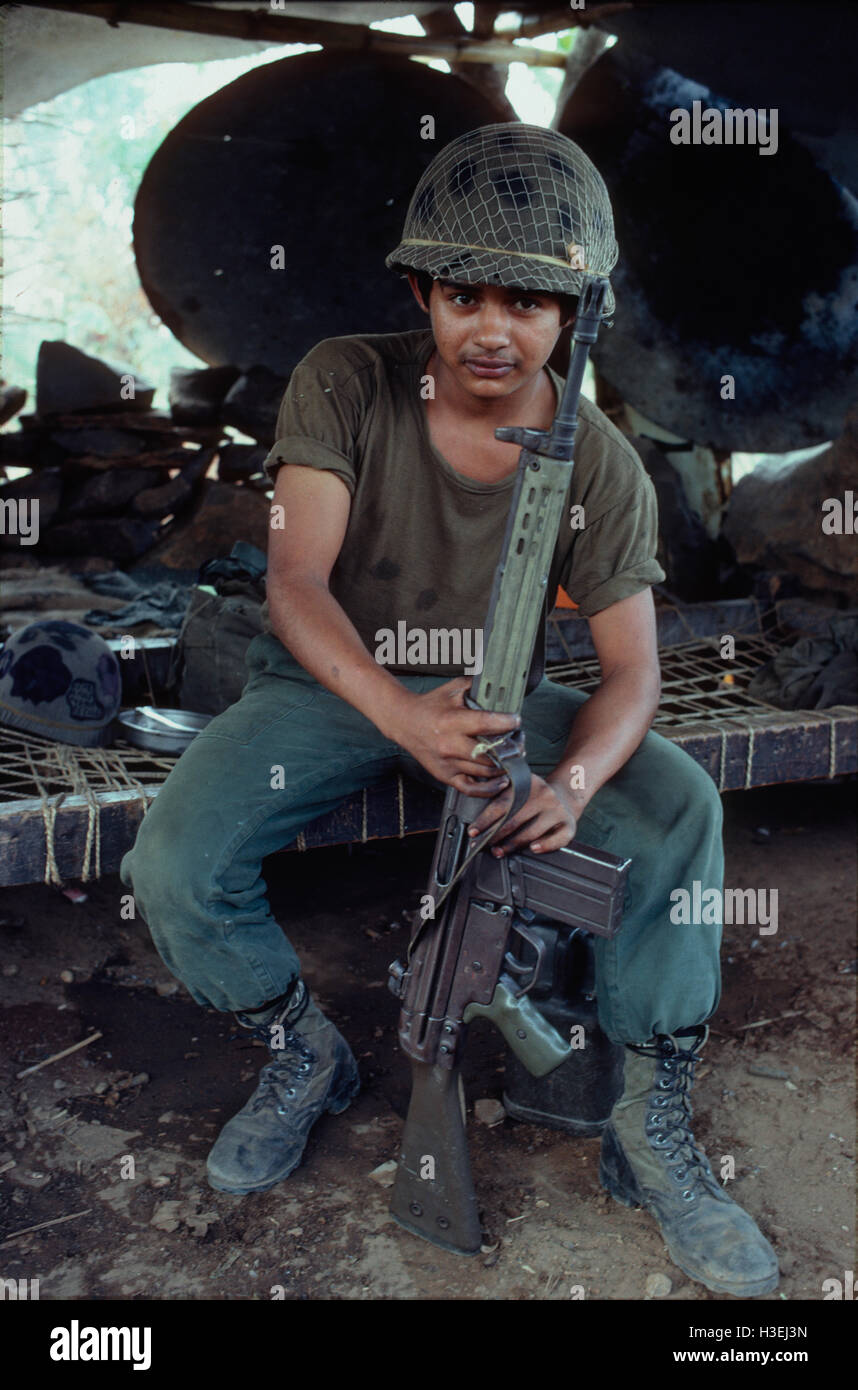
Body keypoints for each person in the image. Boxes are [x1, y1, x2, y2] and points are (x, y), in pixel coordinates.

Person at [121, 123, 778, 1298]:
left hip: (496, 706)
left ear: (574, 313)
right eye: (462, 293)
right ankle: (301, 1054)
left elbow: (633, 673)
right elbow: (292, 584)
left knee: (674, 803)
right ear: (419, 289)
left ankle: (650, 1111)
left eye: (528, 301)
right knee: (173, 858)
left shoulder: (602, 463)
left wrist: (571, 785)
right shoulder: (345, 380)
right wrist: (397, 714)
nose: (492, 327)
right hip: (337, 687)